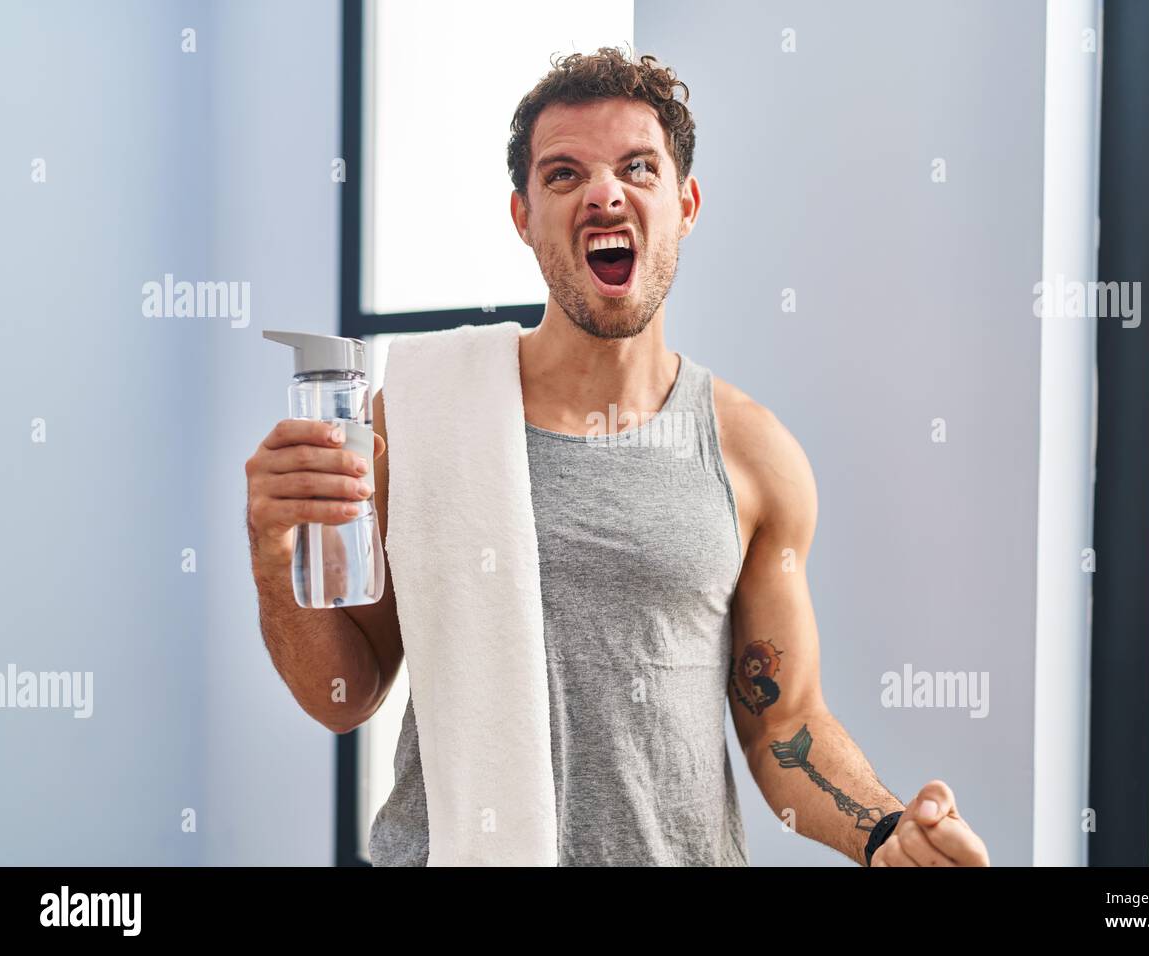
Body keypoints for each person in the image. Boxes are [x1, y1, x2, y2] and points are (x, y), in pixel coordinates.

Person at [245, 47, 989, 868]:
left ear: (686, 203)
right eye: (564, 175)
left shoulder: (751, 453)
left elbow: (783, 720)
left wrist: (884, 831)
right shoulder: (423, 416)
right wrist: (274, 554)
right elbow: (342, 696)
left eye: (638, 167)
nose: (605, 192)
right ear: (523, 217)